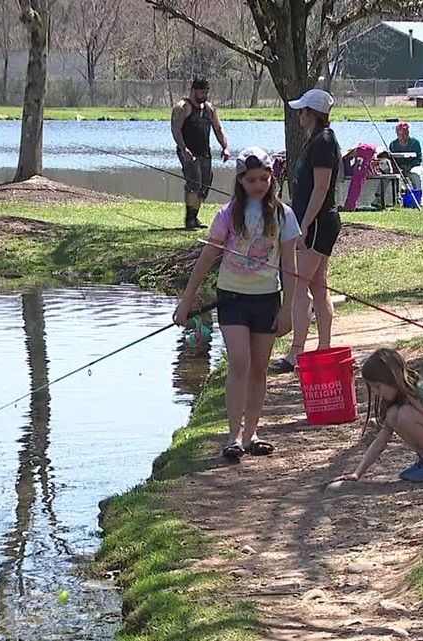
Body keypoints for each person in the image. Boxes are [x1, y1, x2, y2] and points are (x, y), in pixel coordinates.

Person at [174, 147, 298, 461]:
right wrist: (187, 299)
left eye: (264, 178)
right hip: (231, 298)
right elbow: (206, 259)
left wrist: (288, 309)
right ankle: (233, 434)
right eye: (252, 179)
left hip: (267, 300)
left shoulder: (284, 215)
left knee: (259, 368)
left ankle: (252, 432)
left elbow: (290, 267)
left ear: (272, 177)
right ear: (240, 181)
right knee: (240, 361)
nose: (259, 185)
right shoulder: (227, 215)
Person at [270, 89, 341, 374]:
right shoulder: (318, 141)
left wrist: (304, 224)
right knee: (317, 286)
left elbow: (322, 189)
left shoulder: (323, 142)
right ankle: (324, 347)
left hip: (317, 225)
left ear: (313, 114)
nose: (299, 115)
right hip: (314, 222)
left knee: (298, 287)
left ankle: (296, 353)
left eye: (302, 111)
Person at [332, 348, 423, 483]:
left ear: (391, 378)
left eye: (378, 387)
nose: (376, 393)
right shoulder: (398, 403)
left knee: (405, 414)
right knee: (395, 413)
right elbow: (380, 441)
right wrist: (357, 473)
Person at [171, 78, 231, 230]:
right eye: (202, 92)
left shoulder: (209, 109)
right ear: (193, 91)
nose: (204, 95)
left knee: (205, 183)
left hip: (205, 152)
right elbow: (176, 130)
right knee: (194, 183)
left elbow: (218, 129)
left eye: (206, 92)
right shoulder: (182, 107)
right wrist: (183, 148)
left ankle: (194, 216)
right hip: (188, 152)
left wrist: (225, 147)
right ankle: (190, 220)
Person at [388, 121, 423, 204]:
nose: (403, 136)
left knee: (416, 174)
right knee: (388, 174)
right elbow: (391, 160)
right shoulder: (393, 144)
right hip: (398, 168)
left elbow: (418, 159)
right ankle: (393, 199)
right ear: (397, 133)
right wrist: (397, 168)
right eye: (400, 134)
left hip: (413, 167)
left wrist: (408, 167)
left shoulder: (415, 143)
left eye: (405, 133)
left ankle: (419, 198)